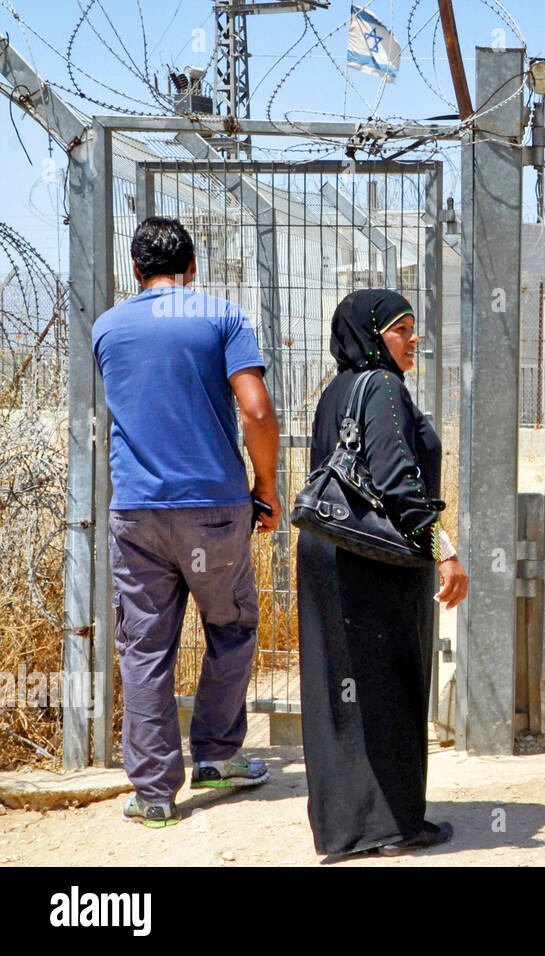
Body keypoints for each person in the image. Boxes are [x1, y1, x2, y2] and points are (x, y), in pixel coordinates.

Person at [93, 217, 281, 828]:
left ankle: (153, 794)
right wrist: (267, 485)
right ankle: (218, 757)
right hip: (213, 510)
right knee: (230, 627)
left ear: (135, 271)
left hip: (137, 509)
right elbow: (254, 408)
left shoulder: (106, 328)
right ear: (192, 267)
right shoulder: (222, 316)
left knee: (145, 647)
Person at [297, 289, 468, 861]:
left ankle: (350, 828)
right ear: (373, 337)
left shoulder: (334, 392)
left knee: (342, 693)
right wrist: (442, 548)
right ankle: (393, 825)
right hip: (379, 561)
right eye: (401, 329)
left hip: (327, 554)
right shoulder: (385, 387)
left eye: (414, 327)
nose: (413, 338)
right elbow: (398, 482)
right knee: (391, 683)